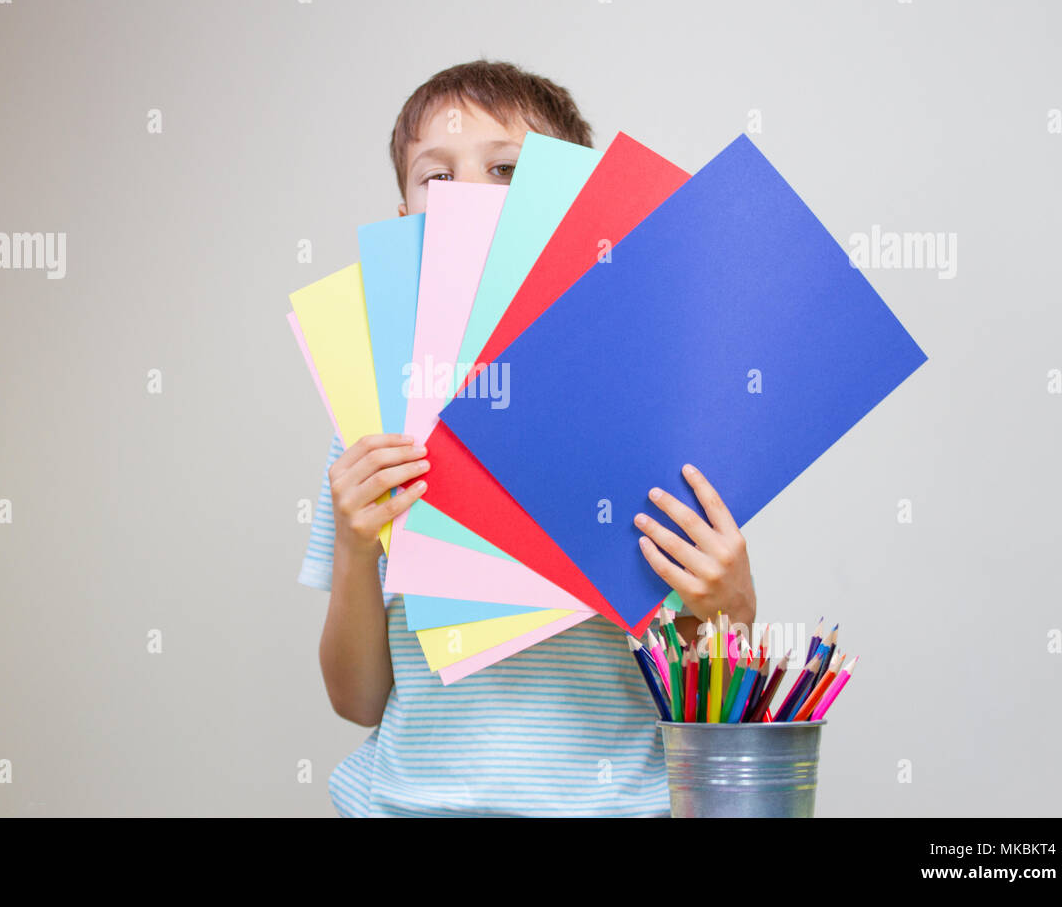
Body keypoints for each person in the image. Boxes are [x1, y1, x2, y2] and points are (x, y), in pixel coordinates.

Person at [298, 60, 756, 816]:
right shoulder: (371, 424)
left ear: (576, 209)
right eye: (435, 177)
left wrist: (731, 610)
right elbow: (356, 701)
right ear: (404, 216)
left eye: (506, 170)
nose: (469, 196)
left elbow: (704, 705)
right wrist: (354, 546)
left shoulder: (656, 423)